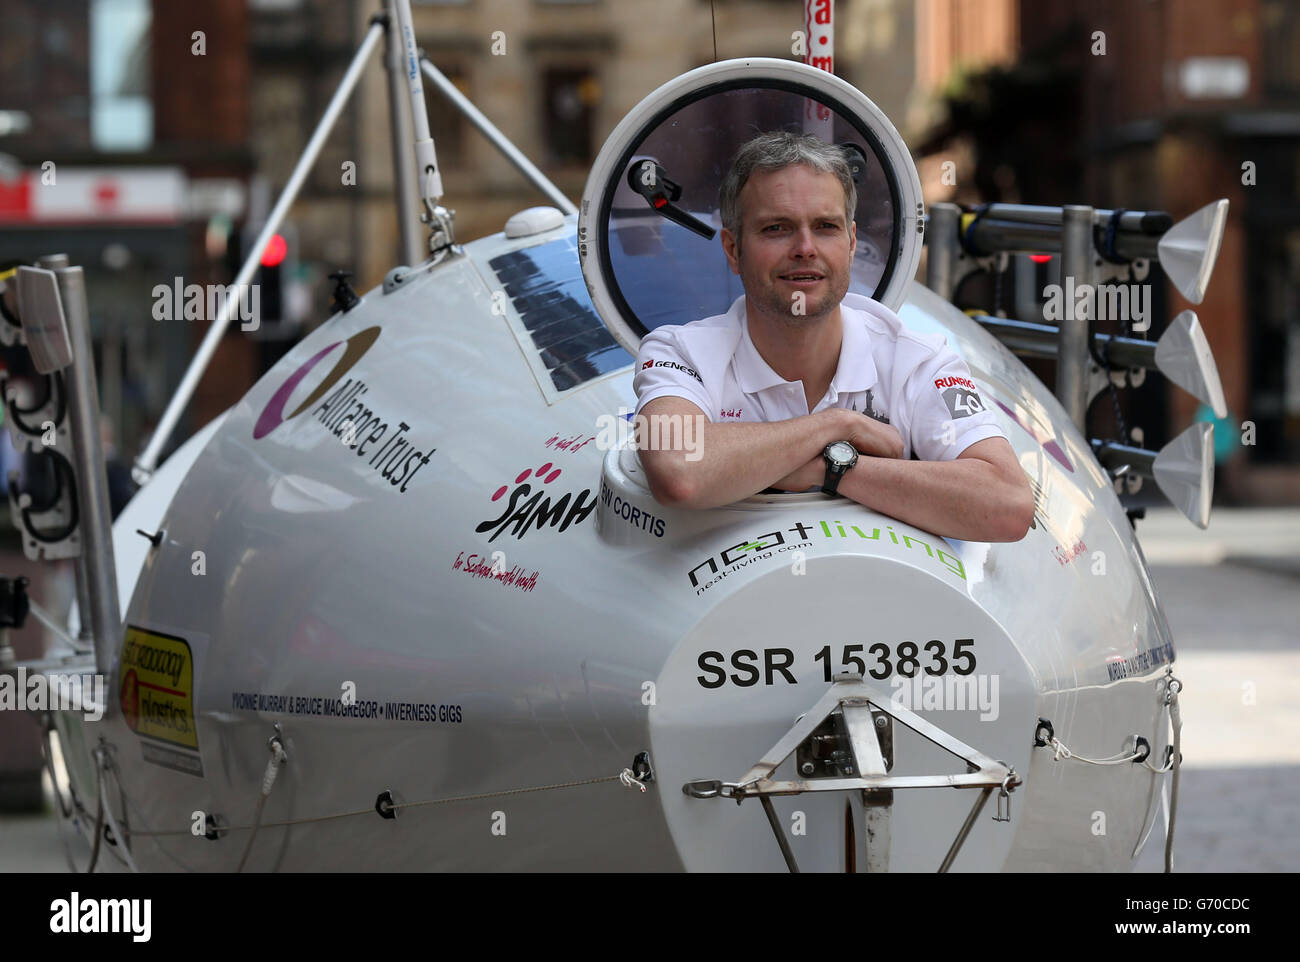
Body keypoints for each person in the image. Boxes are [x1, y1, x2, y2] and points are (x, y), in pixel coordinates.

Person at [633, 131, 1033, 543]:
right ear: (733, 250)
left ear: (852, 242)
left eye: (825, 227)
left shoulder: (916, 360)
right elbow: (679, 470)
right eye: (776, 228)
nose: (805, 248)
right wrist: (836, 426)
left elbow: (1008, 506)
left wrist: (830, 467)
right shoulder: (680, 352)